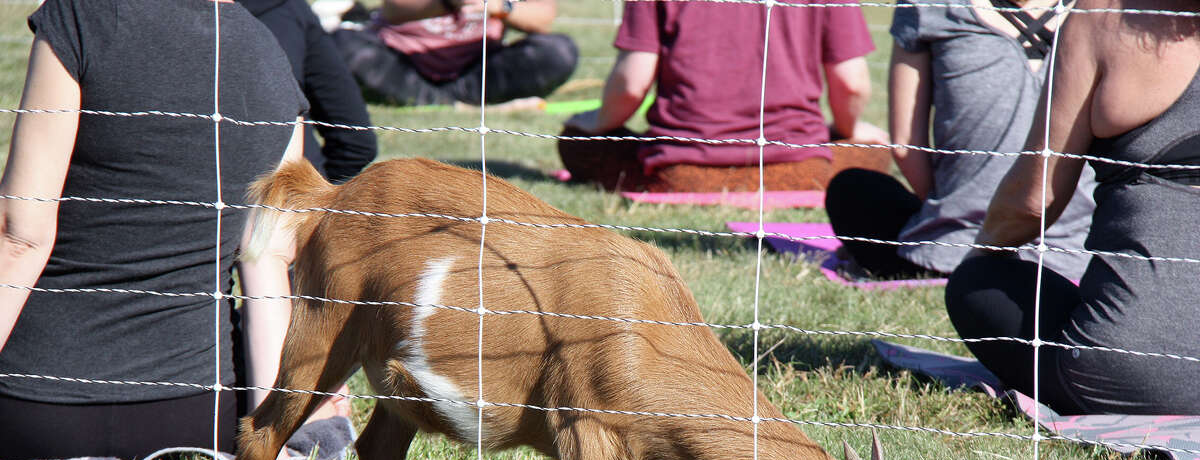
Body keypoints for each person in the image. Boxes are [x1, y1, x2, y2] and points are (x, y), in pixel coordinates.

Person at [0, 0, 334, 460]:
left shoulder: (80, 16)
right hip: (197, 419)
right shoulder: (270, 55)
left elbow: (20, 236)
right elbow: (266, 265)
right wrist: (272, 435)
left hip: (37, 408)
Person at [945, 0, 1200, 414]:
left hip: (1132, 372)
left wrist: (980, 256)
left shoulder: (1101, 16)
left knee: (978, 285)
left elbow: (1033, 200)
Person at [825, 0, 1097, 280]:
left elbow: (906, 147)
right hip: (1081, 250)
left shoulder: (930, 6)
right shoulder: (1117, 11)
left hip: (957, 249)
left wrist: (955, 209)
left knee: (853, 191)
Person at [556, 0, 891, 193]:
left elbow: (631, 85)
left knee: (575, 140)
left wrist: (595, 123)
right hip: (801, 169)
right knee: (875, 151)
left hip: (681, 171)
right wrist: (850, 129)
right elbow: (852, 84)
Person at [333, 0, 578, 107]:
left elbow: (543, 19)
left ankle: (445, 100)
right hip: (403, 64)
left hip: (476, 70)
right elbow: (394, 8)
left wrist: (500, 7)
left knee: (558, 52)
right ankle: (452, 101)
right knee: (343, 46)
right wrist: (446, 3)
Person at [237, 0, 378, 183]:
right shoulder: (287, 9)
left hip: (199, 200)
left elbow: (356, 141)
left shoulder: (189, 21)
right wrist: (312, 193)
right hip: (286, 196)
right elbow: (357, 140)